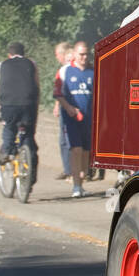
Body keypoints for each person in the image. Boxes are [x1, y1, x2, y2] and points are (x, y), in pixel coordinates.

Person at [0, 42, 39, 187]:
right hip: (28, 106)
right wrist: (35, 109)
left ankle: (7, 152)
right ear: (24, 53)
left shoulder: (1, 65)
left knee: (9, 128)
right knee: (28, 137)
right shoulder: (31, 63)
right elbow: (36, 88)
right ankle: (30, 174)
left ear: (9, 54)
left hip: (9, 106)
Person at [60, 41, 93, 198]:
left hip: (89, 119)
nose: (84, 57)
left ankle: (81, 181)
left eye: (87, 54)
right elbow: (58, 94)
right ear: (74, 54)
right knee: (76, 150)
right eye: (81, 54)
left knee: (86, 153)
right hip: (71, 119)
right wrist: (69, 108)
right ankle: (76, 186)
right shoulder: (66, 71)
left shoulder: (93, 70)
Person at [52, 41, 73, 179]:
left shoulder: (65, 69)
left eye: (56, 54)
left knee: (65, 140)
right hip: (69, 106)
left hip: (68, 108)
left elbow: (59, 90)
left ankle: (69, 170)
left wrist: (58, 106)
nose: (56, 57)